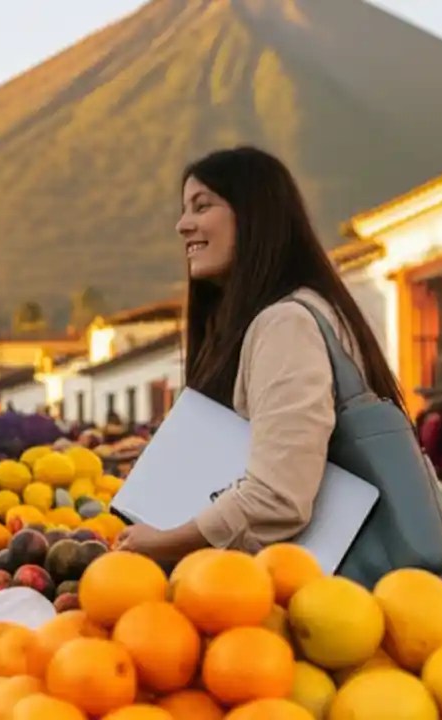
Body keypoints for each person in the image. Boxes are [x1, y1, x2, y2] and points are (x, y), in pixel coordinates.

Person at [117, 147, 406, 567]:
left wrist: (166, 541)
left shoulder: (285, 324)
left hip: (323, 599)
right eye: (184, 210)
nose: (182, 226)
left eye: (202, 206)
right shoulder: (279, 318)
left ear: (254, 214)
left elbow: (278, 497)